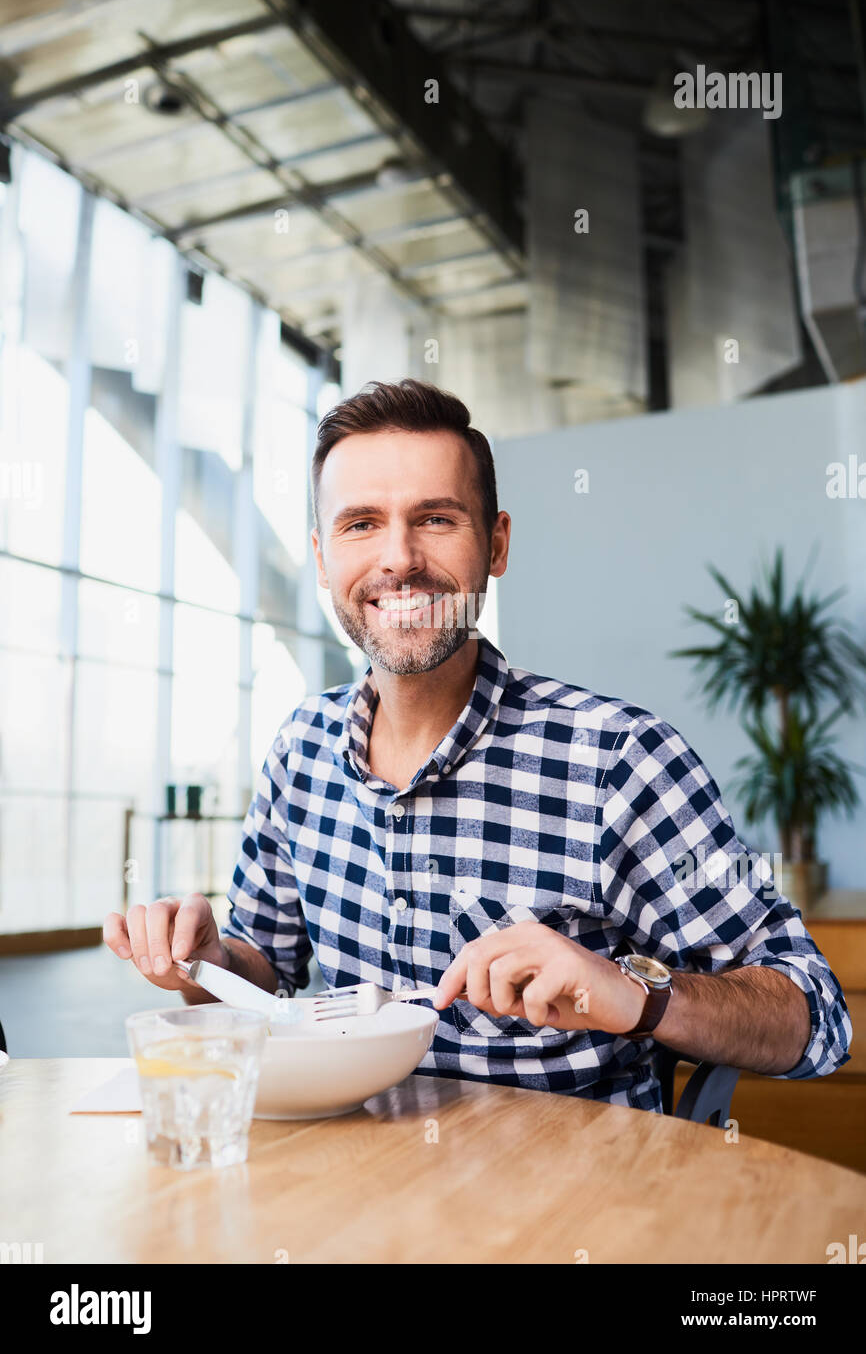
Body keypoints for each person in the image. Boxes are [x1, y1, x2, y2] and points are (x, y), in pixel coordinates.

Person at [104, 379, 852, 1110]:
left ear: (495, 544)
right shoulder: (300, 750)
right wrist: (208, 965)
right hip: (348, 1194)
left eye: (435, 519)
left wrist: (634, 994)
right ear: (322, 556)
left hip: (571, 1215)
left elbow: (813, 1015)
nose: (398, 558)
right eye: (360, 523)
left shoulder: (619, 760)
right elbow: (263, 968)